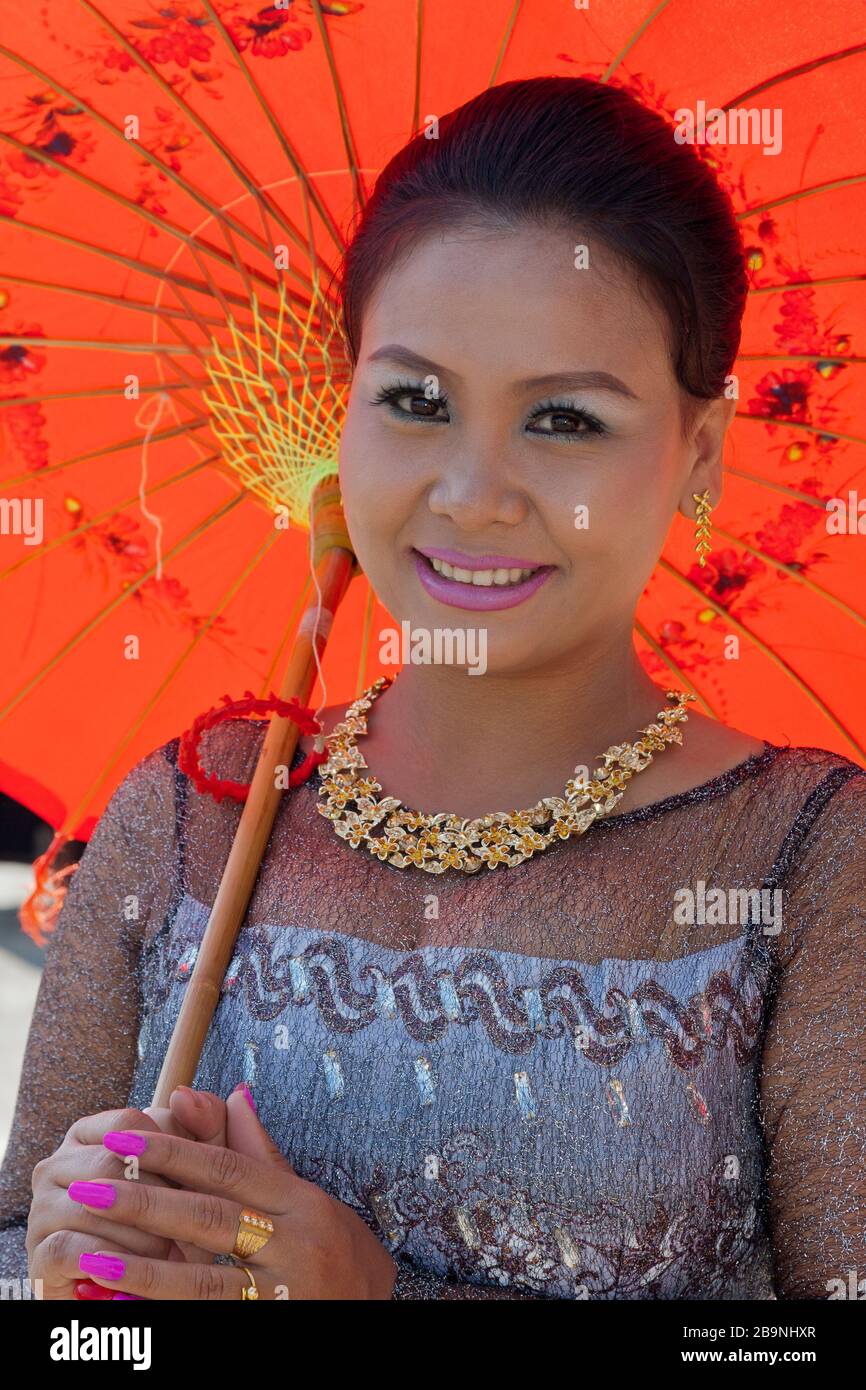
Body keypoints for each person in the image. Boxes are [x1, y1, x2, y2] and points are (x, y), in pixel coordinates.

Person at [1, 75, 864, 1300]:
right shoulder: (193, 813)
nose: (470, 492)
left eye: (563, 419)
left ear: (701, 454)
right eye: (414, 400)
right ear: (341, 407)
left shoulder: (808, 862)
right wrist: (71, 1285)